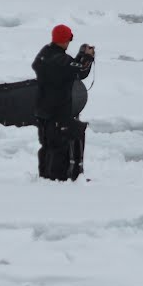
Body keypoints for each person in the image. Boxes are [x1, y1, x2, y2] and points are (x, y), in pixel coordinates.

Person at [32, 24, 94, 181]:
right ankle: (68, 177)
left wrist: (80, 57)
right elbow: (81, 71)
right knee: (73, 135)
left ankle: (46, 176)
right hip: (58, 111)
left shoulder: (45, 54)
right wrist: (88, 57)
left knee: (48, 144)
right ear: (65, 39)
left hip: (43, 110)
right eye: (69, 39)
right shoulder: (61, 60)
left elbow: (71, 68)